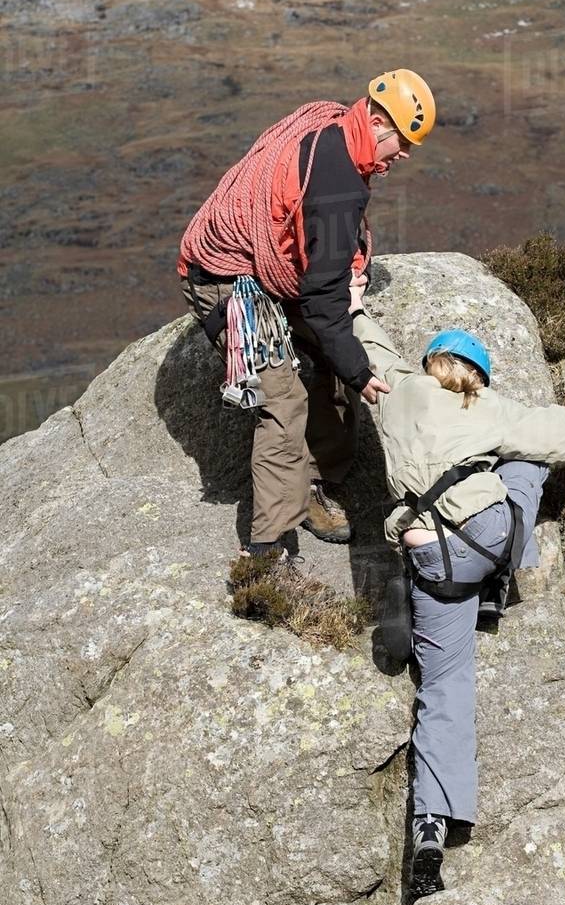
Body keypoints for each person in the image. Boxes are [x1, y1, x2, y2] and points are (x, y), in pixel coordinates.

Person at [348, 280, 565, 899]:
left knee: (444, 687)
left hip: (429, 559)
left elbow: (372, 346)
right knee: (526, 465)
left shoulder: (400, 393)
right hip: (484, 545)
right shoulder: (482, 408)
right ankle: (505, 580)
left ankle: (430, 829)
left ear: (431, 363)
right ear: (473, 374)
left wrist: (352, 305)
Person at [176, 71, 435, 556]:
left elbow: (322, 258)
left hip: (262, 263)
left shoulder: (334, 124)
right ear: (378, 123)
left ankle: (319, 481)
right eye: (403, 142)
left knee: (330, 360)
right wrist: (359, 371)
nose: (405, 155)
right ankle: (268, 547)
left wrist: (343, 353)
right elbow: (320, 301)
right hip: (223, 278)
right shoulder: (338, 186)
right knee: (284, 398)